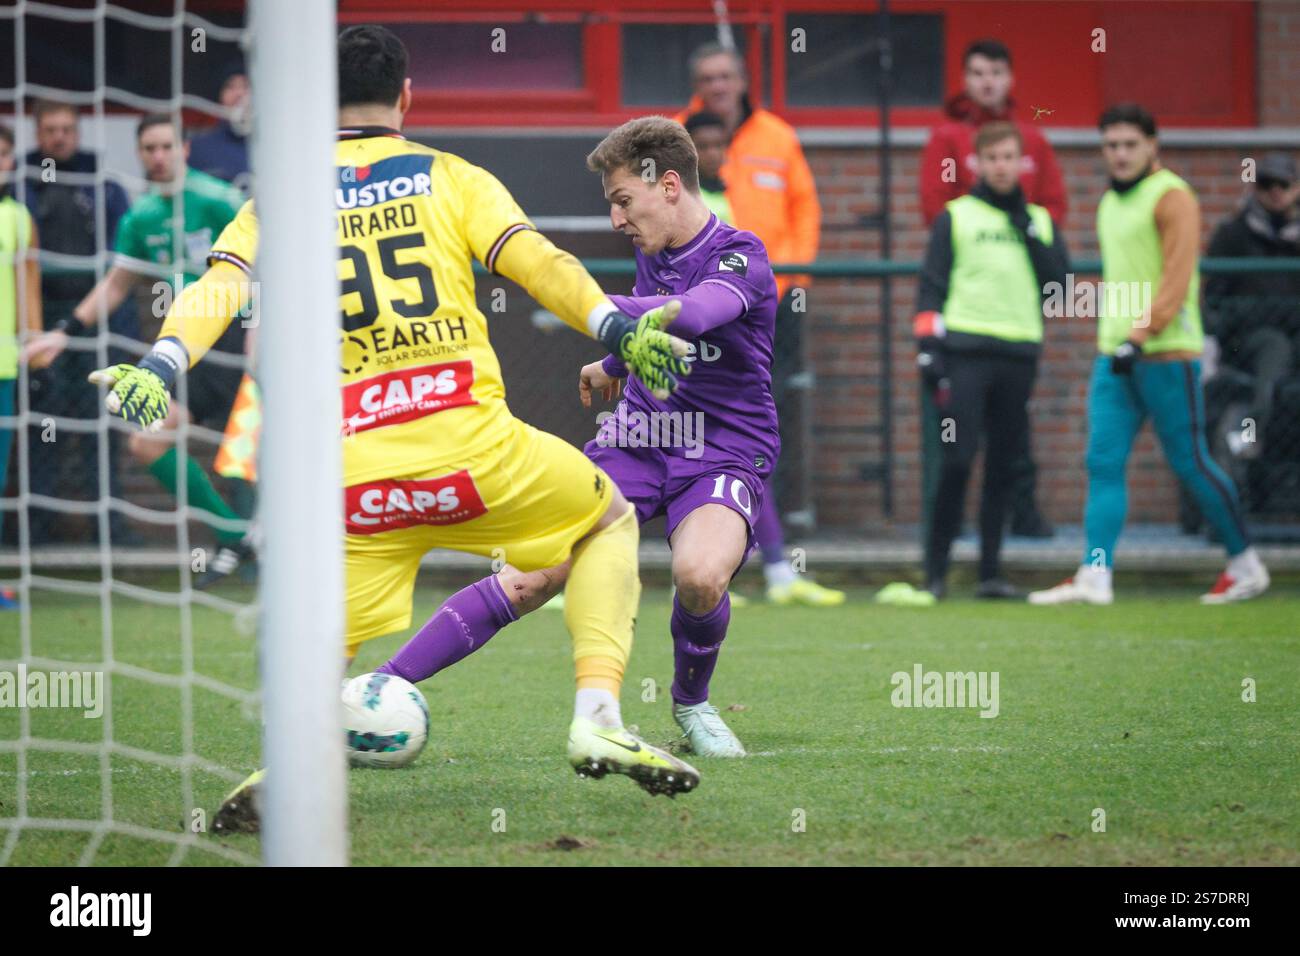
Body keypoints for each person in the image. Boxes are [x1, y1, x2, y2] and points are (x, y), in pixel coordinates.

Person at [89, 26, 700, 827]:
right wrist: (617, 331)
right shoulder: (452, 177)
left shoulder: (282, 192)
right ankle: (599, 719)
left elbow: (222, 285)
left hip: (356, 476)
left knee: (325, 638)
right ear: (407, 96)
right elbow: (539, 264)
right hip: (477, 452)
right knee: (608, 517)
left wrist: (161, 365)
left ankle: (287, 765)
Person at [1030, 104, 1270, 606]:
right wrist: (1117, 339)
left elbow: (1178, 279)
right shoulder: (1110, 203)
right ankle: (1095, 576)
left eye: (1129, 144)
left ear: (1152, 145)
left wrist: (1139, 335)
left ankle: (1245, 564)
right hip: (1114, 356)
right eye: (1111, 145)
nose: (1119, 154)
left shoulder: (1172, 196)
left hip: (1165, 353)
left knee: (1190, 462)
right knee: (1101, 461)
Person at [23, 114, 252, 585]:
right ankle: (234, 536)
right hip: (189, 349)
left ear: (185, 149)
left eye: (167, 146)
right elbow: (115, 285)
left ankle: (279, 550)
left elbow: (263, 269)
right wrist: (64, 331)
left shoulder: (221, 200)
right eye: (149, 148)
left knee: (255, 454)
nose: (159, 156)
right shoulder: (141, 216)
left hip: (243, 340)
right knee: (147, 440)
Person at [677, 45, 844, 608]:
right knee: (651, 447)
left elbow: (805, 211)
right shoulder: (675, 164)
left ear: (744, 78)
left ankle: (766, 569)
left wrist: (787, 285)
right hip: (684, 333)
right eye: (708, 77)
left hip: (748, 322)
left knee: (732, 445)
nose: (718, 85)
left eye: (727, 75)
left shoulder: (775, 138)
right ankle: (564, 564)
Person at [919, 38, 1066, 539]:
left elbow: (1052, 211)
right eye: (978, 72)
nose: (987, 82)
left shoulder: (1034, 140)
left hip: (1018, 312)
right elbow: (934, 207)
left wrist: (1026, 237)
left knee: (1014, 434)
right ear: (965, 78)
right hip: (968, 311)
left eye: (996, 72)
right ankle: (950, 533)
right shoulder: (947, 138)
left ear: (1011, 78)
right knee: (958, 440)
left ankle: (1018, 520)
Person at [21, 100, 133, 544]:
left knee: (100, 425)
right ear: (38, 133)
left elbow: (122, 262)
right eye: (51, 129)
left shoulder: (103, 183)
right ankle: (36, 530)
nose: (60, 137)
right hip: (42, 319)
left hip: (92, 322)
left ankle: (111, 529)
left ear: (78, 131)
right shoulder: (24, 182)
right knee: (41, 428)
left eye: (68, 128)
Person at [1203, 151, 1300, 455]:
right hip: (1248, 339)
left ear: (1296, 188)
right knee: (1274, 347)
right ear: (1255, 188)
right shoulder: (1233, 234)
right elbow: (1214, 297)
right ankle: (1252, 433)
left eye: (1284, 184)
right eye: (1267, 183)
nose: (1276, 191)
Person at [0, 124, 43, 608]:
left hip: (4, 368)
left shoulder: (17, 217)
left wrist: (35, 345)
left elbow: (27, 284)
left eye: (4, 154)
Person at [187, 67, 252, 195]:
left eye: (246, 86)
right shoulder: (197, 149)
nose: (239, 93)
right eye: (230, 87)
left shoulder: (279, 147)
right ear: (220, 95)